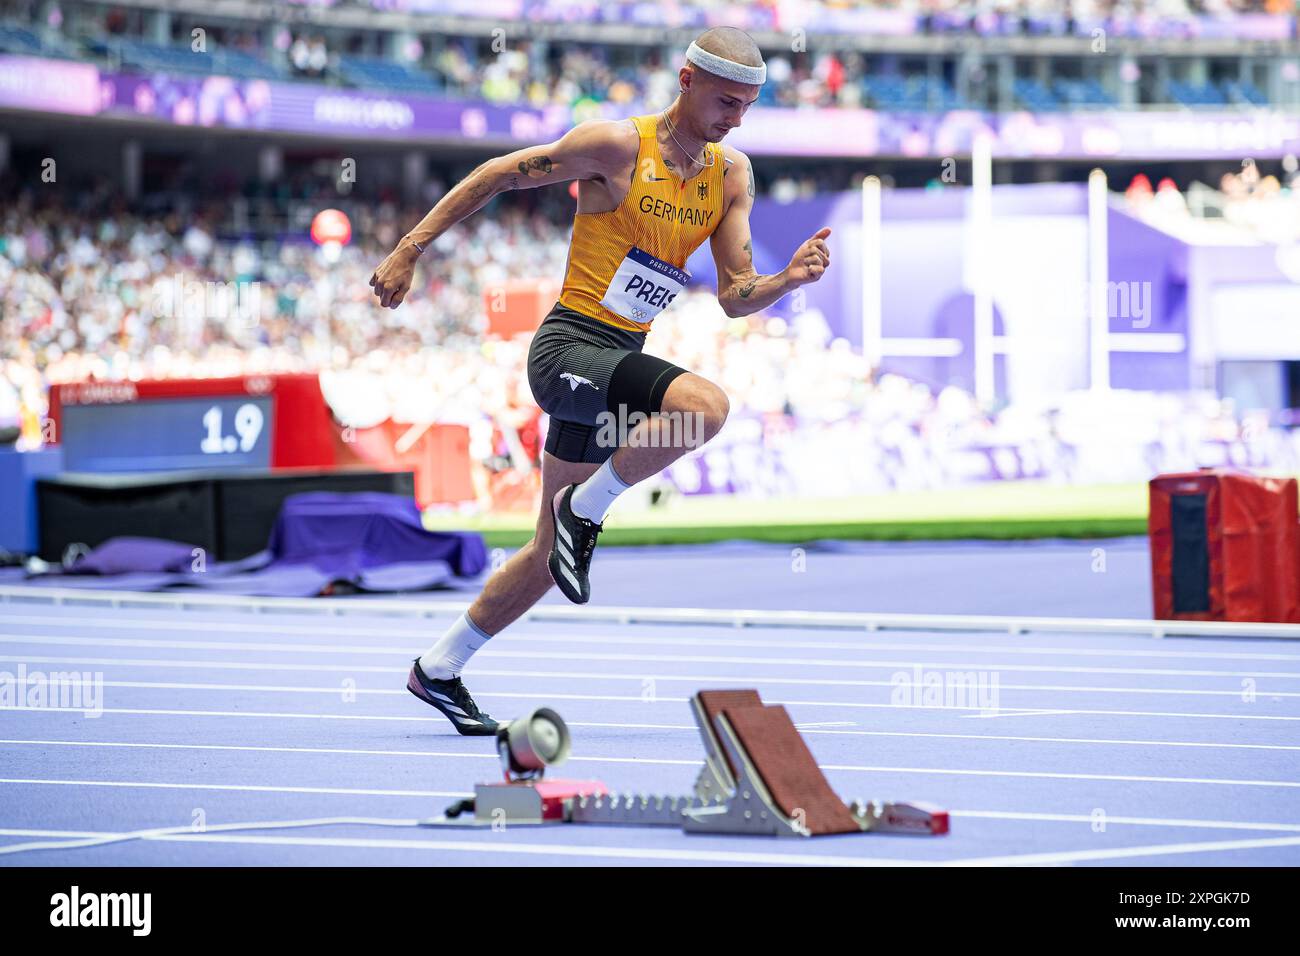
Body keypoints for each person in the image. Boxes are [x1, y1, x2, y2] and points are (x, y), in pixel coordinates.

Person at [369, 27, 831, 735]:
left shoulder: (730, 175)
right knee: (705, 407)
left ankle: (439, 668)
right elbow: (498, 172)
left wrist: (785, 280)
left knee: (544, 560)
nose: (735, 118)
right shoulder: (617, 146)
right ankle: (588, 512)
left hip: (613, 365)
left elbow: (737, 293)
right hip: (567, 352)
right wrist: (409, 250)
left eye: (746, 107)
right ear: (685, 79)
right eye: (724, 101)